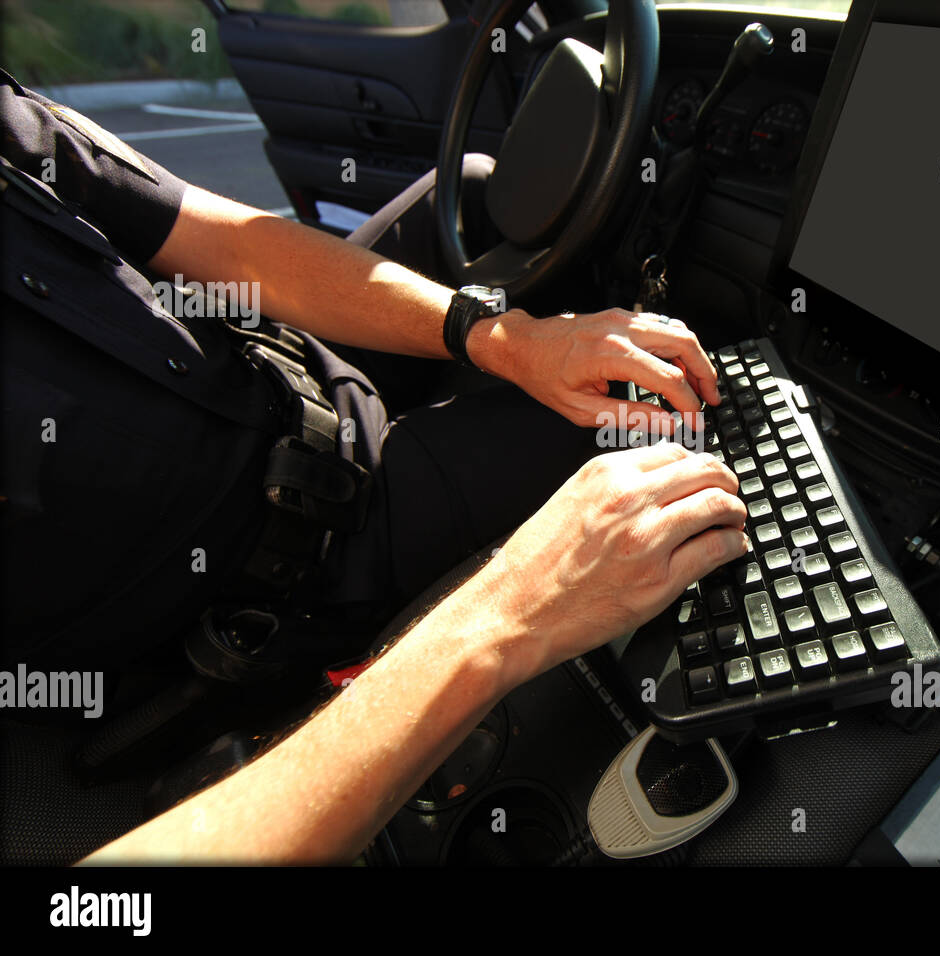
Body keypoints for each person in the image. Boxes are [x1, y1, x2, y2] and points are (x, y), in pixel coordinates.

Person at [0, 70, 749, 862]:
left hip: (282, 365)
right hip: (292, 558)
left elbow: (213, 238)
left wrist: (498, 337)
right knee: (661, 436)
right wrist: (507, 612)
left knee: (476, 191)